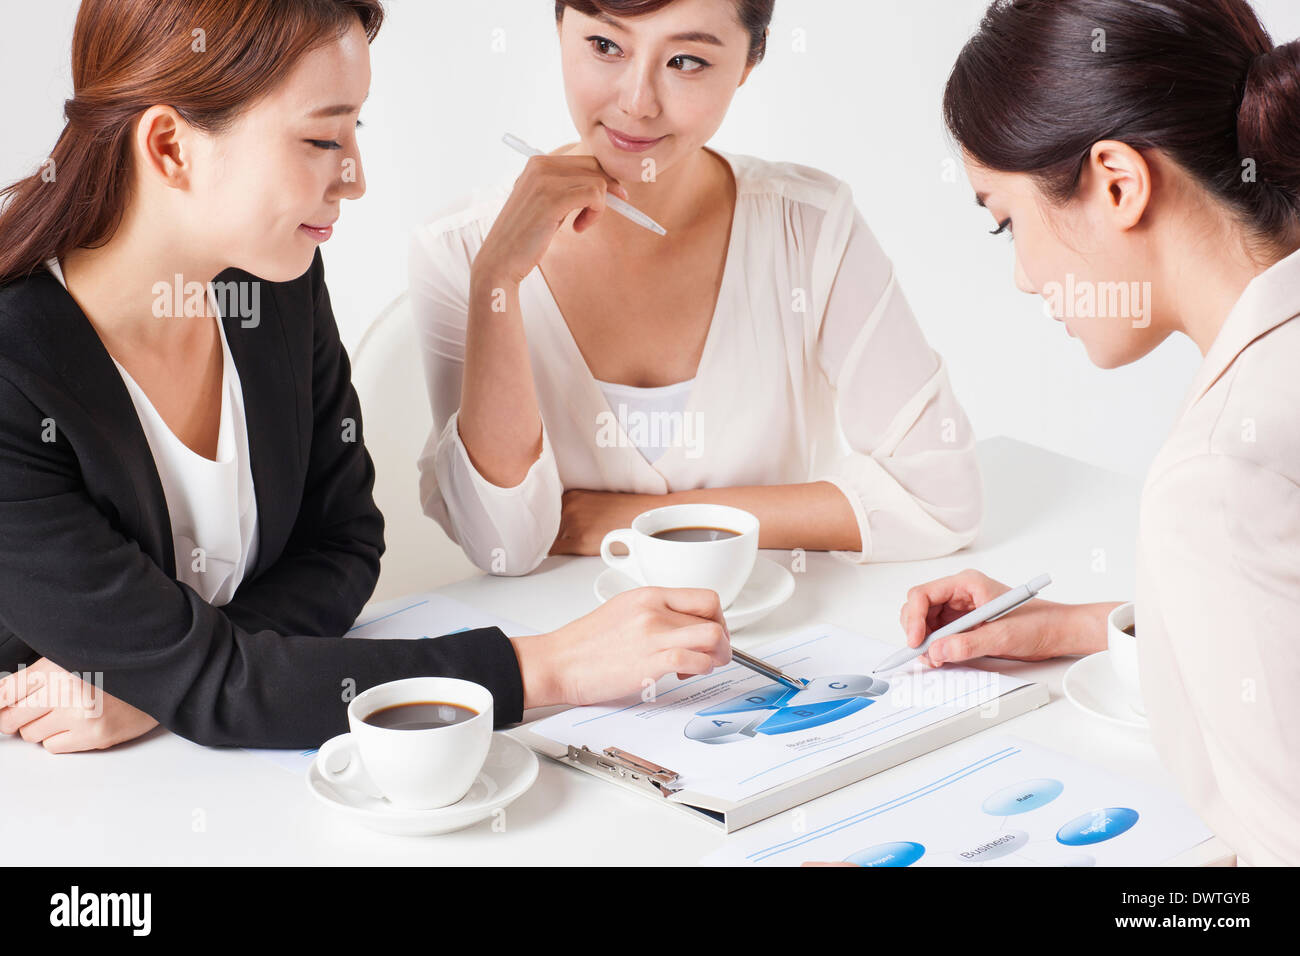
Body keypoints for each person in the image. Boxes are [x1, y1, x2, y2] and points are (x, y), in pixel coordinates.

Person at [0, 0, 730, 753]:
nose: (355, 180)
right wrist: (548, 666)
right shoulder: (14, 378)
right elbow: (222, 684)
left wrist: (167, 676)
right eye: (321, 137)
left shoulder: (268, 283)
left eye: (357, 131)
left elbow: (343, 548)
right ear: (170, 147)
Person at [903, 0, 1300, 866]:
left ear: (1119, 182)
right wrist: (1098, 624)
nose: (1022, 276)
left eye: (1006, 221)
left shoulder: (1218, 476)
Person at [410, 0, 984, 576]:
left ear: (748, 62)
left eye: (686, 61)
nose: (637, 102)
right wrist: (498, 278)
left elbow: (939, 494)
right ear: (560, 29)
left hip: (774, 642)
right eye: (605, 46)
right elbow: (501, 543)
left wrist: (618, 521)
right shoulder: (462, 251)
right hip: (559, 651)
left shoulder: (809, 227)